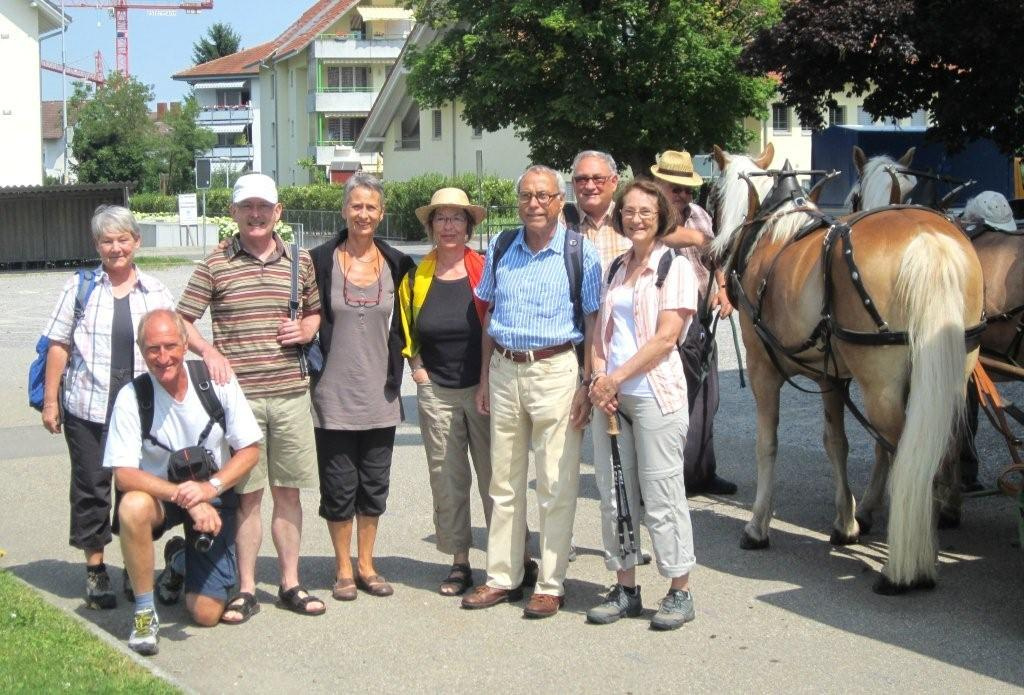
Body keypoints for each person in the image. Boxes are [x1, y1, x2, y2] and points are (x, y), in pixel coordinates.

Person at [177, 173, 325, 621]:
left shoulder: (299, 262)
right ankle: (244, 588)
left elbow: (316, 312)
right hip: (238, 403)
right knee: (247, 496)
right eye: (248, 208)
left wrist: (307, 329)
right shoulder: (215, 263)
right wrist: (207, 350)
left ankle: (290, 582)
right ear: (234, 213)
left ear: (278, 212)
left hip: (291, 394)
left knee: (288, 494)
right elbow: (182, 320)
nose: (256, 215)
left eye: (264, 207)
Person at [461, 165, 602, 619]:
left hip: (557, 371)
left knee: (556, 483)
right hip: (504, 369)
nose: (534, 204)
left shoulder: (582, 251)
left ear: (560, 201)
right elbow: (488, 315)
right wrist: (484, 376)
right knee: (503, 482)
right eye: (526, 196)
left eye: (544, 196)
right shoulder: (502, 246)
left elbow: (594, 324)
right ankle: (502, 577)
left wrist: (587, 382)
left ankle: (551, 582)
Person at [399, 187, 539, 596]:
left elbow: (499, 322)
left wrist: (488, 380)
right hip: (437, 390)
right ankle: (459, 561)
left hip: (486, 387)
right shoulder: (415, 276)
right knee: (448, 479)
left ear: (469, 226)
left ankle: (514, 558)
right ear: (430, 226)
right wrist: (417, 368)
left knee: (499, 478)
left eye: (457, 218)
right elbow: (404, 327)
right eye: (440, 218)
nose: (448, 226)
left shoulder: (486, 268)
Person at [40, 204, 175, 610]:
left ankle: (137, 572)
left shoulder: (156, 291)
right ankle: (96, 571)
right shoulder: (80, 288)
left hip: (140, 414)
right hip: (88, 410)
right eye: (106, 241)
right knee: (91, 491)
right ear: (96, 245)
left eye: (122, 239)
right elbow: (58, 345)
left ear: (136, 241)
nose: (115, 248)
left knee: (136, 493)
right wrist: (50, 401)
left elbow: (173, 349)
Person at [104, 309, 261, 654]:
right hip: (164, 498)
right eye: (153, 350)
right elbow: (125, 474)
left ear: (186, 343)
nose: (163, 358)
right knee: (132, 505)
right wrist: (186, 496)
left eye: (171, 346)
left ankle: (180, 561)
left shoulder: (215, 381)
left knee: (205, 614)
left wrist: (210, 488)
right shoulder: (132, 397)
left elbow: (249, 450)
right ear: (142, 351)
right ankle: (145, 612)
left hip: (214, 495)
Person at [586, 179, 698, 630]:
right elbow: (600, 334)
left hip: (655, 396)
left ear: (661, 217)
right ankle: (626, 587)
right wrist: (597, 377)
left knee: (662, 495)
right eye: (629, 211)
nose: (636, 218)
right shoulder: (615, 267)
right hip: (611, 397)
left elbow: (666, 338)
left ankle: (679, 591)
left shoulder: (675, 267)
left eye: (645, 212)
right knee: (615, 497)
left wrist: (613, 378)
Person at [309, 173, 415, 600]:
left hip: (380, 394)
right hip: (331, 397)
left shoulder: (397, 264)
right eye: (356, 206)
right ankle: (342, 569)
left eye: (371, 206)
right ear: (344, 210)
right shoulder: (318, 261)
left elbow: (410, 322)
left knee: (373, 484)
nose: (363, 214)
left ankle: (367, 564)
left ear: (382, 212)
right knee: (338, 486)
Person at [651, 150, 737, 496]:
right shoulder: (650, 213)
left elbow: (716, 257)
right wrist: (704, 239)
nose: (682, 194)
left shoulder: (699, 213)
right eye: (674, 187)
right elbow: (669, 235)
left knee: (707, 398)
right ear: (659, 184)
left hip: (699, 319)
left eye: (686, 189)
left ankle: (703, 472)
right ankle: (674, 478)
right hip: (666, 323)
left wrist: (723, 287)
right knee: (673, 403)